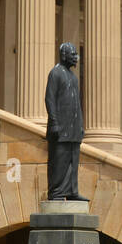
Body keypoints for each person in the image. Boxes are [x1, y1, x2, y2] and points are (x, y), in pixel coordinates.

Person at [44, 42, 87, 201]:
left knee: (73, 160)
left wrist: (80, 125)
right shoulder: (55, 73)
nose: (76, 57)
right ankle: (56, 192)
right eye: (73, 54)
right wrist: (54, 122)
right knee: (59, 160)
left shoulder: (73, 78)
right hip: (60, 129)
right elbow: (49, 99)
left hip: (73, 129)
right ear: (64, 55)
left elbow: (77, 104)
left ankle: (71, 191)